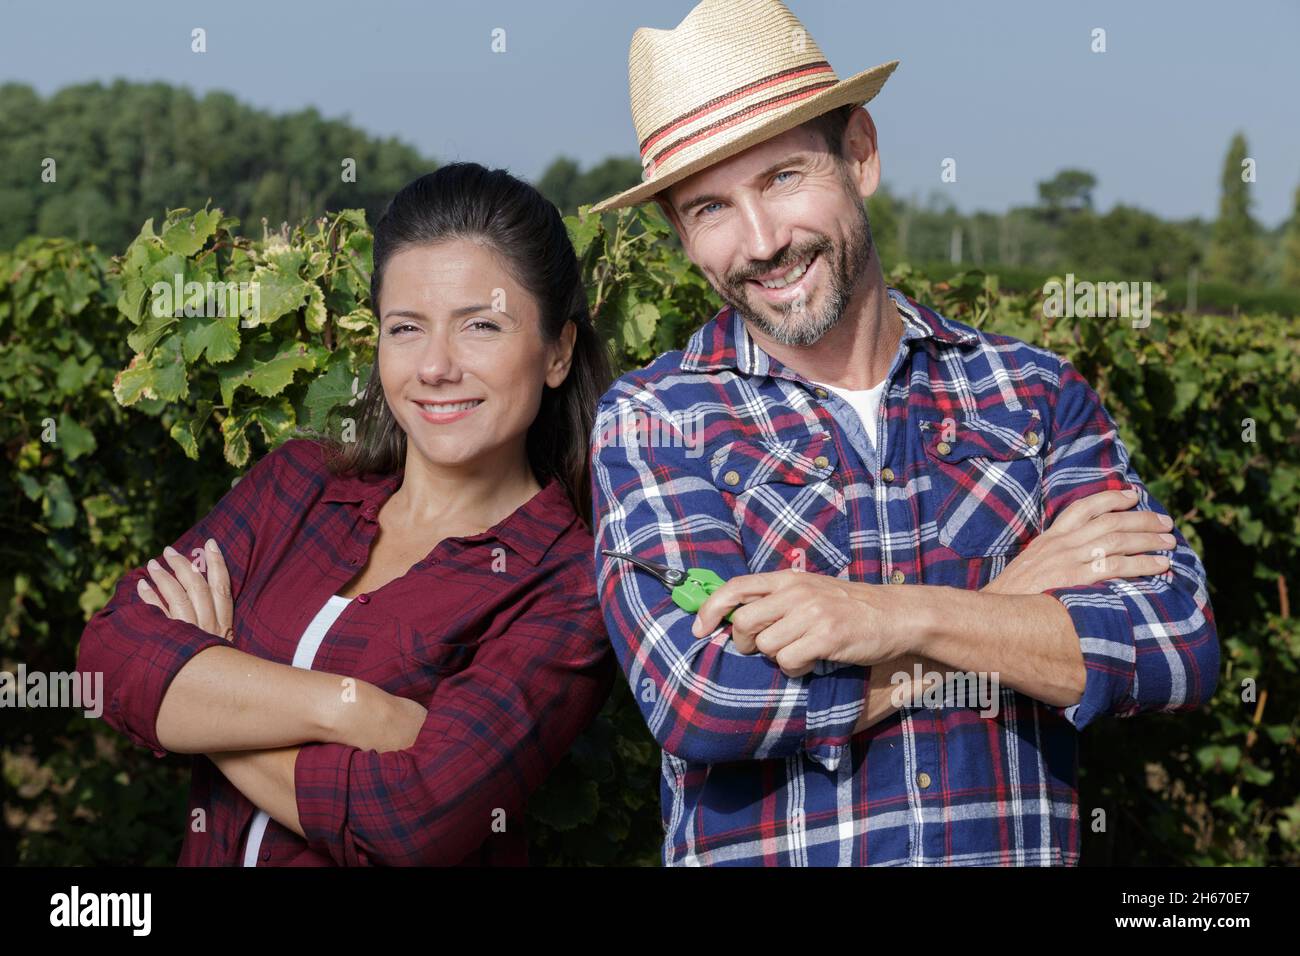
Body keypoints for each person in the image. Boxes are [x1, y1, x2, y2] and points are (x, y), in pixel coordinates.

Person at [587, 0, 1218, 865]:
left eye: (782, 179)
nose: (763, 242)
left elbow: (1175, 642)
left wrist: (887, 616)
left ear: (860, 155)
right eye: (710, 208)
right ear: (682, 238)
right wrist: (1006, 615)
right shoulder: (656, 420)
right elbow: (707, 699)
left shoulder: (1034, 395)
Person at [76, 162, 616, 865]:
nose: (435, 367)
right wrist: (352, 709)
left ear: (557, 352)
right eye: (406, 329)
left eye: (481, 325)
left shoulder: (572, 584)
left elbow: (415, 823)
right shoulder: (297, 485)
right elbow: (110, 657)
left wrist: (213, 681)